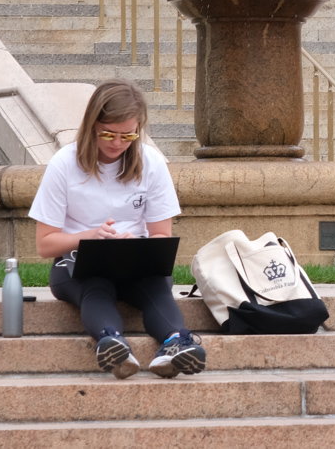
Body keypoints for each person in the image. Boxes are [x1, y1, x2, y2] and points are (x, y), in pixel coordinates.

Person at [29, 80, 207, 380]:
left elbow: (161, 236)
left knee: (157, 286)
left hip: (135, 264)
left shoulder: (151, 163)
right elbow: (45, 244)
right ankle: (112, 342)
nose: (117, 143)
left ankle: (177, 342)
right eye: (108, 134)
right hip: (76, 264)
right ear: (92, 125)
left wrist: (135, 243)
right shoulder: (64, 164)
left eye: (128, 135)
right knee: (95, 286)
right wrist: (89, 237)